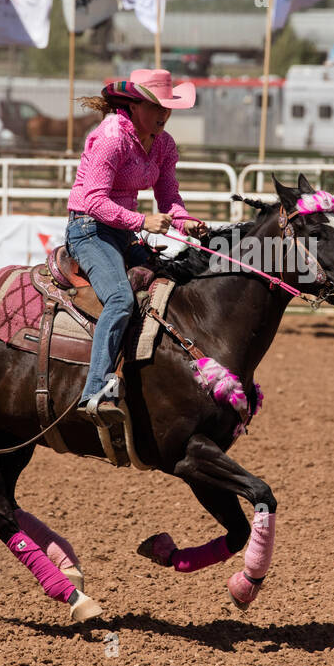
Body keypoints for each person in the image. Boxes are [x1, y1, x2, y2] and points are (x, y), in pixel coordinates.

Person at [65, 69, 209, 426]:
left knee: (176, 282)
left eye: (168, 108)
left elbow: (169, 195)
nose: (163, 115)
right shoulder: (111, 137)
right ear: (133, 105)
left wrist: (183, 220)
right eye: (156, 107)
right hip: (89, 229)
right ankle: (94, 391)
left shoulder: (162, 144)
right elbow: (93, 200)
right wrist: (142, 222)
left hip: (122, 230)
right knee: (120, 298)